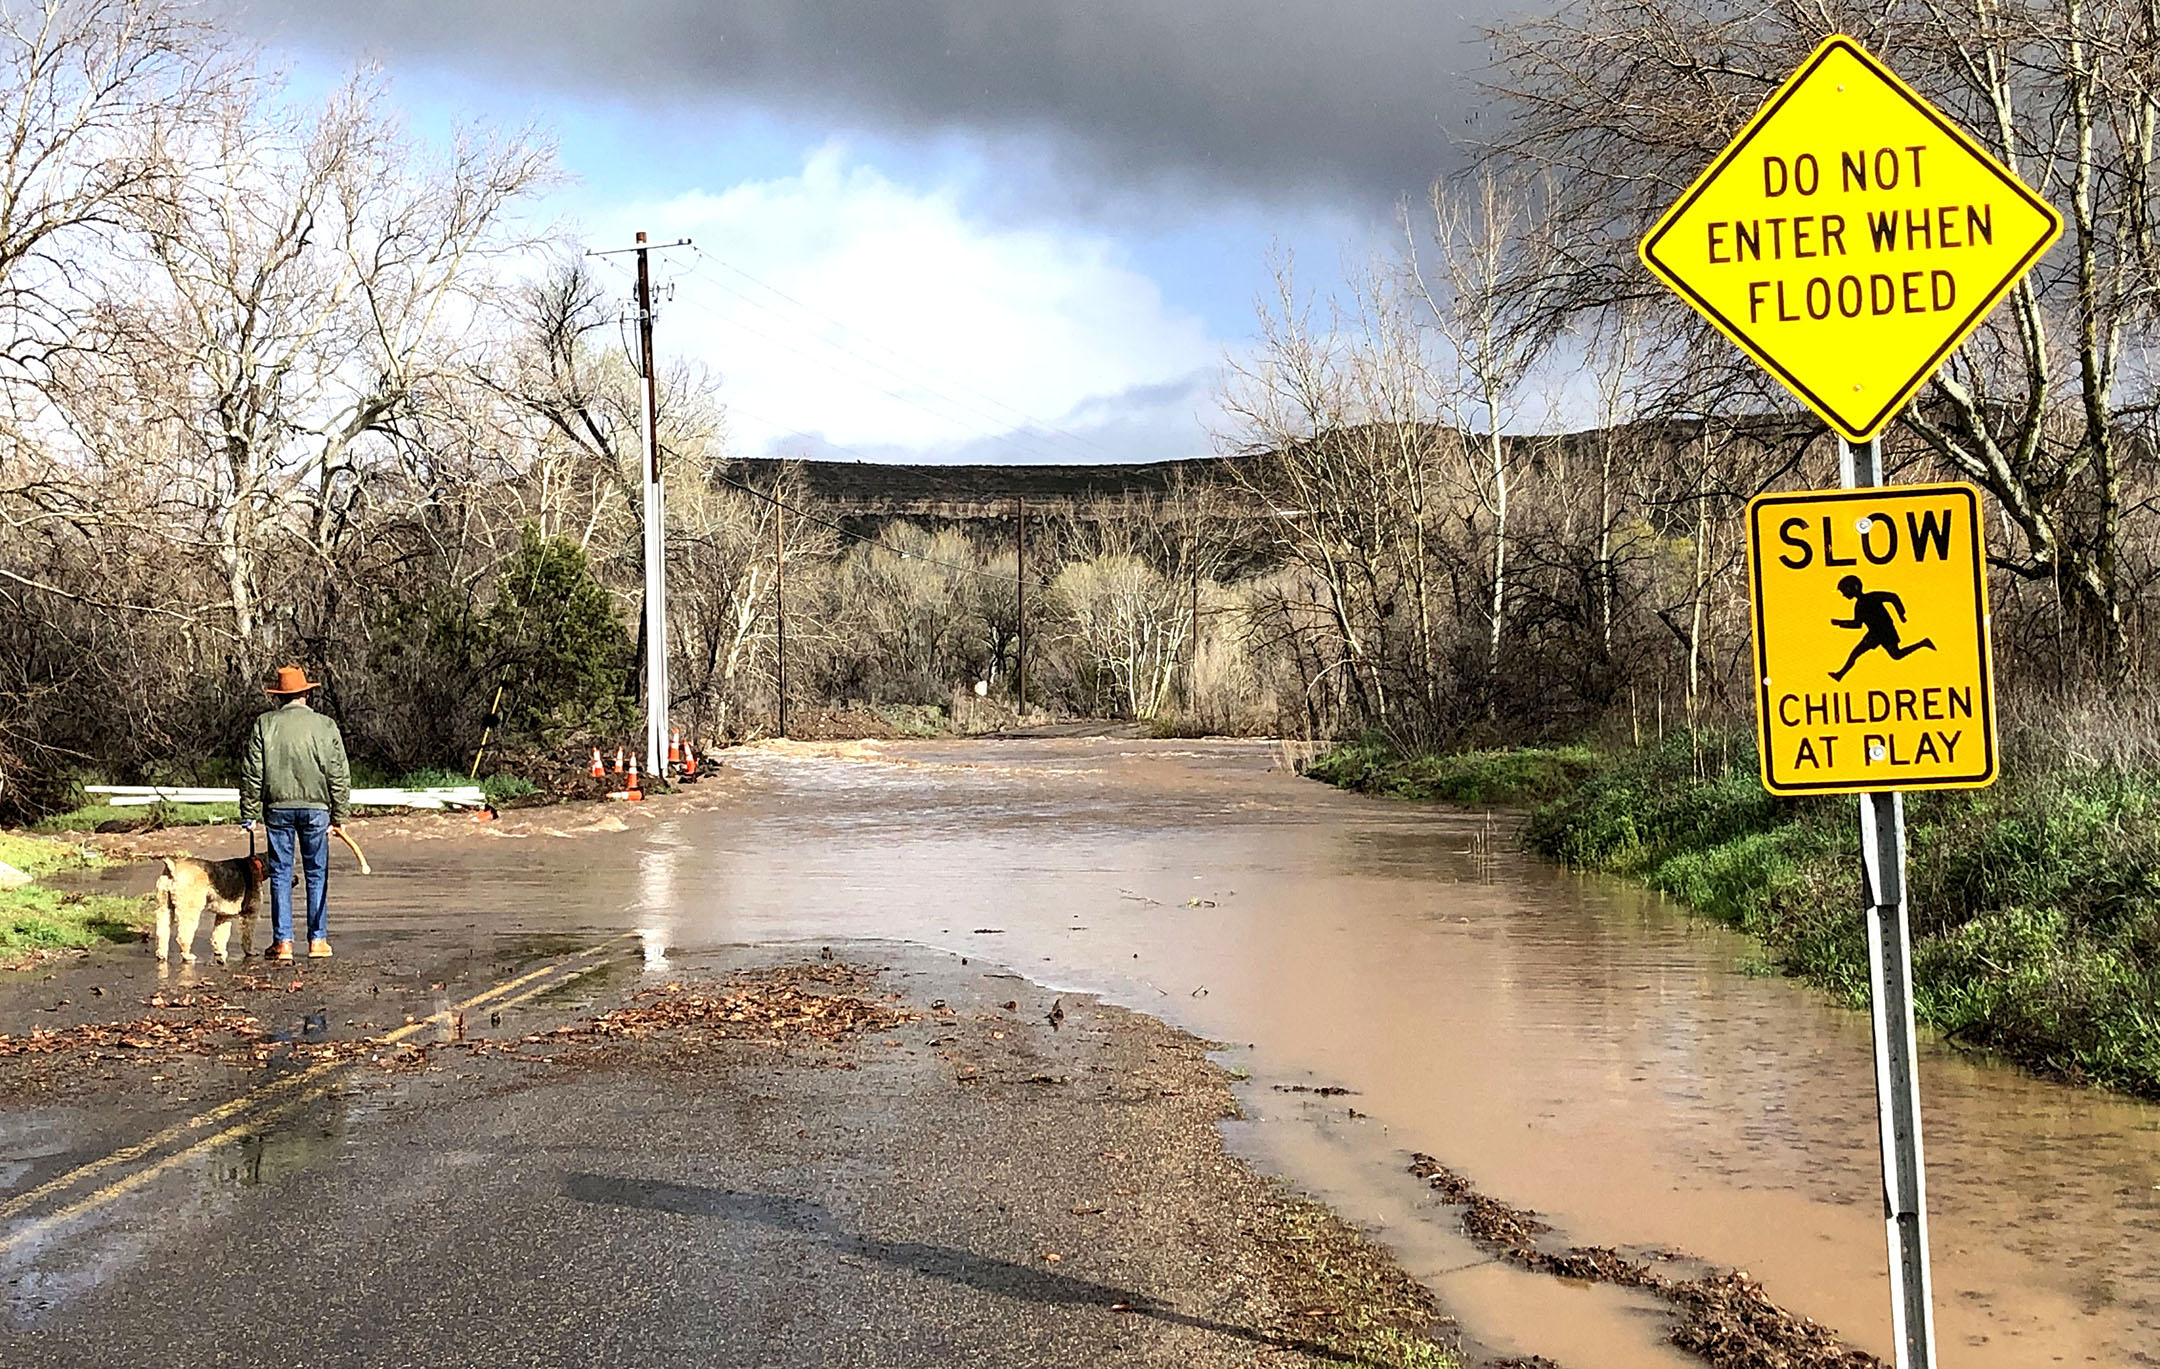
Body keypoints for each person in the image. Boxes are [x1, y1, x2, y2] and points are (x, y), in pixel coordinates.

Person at [239, 666, 352, 962]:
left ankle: (284, 943)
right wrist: (339, 816)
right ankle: (317, 941)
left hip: (277, 808)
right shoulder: (325, 725)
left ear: (280, 697)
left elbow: (253, 772)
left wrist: (249, 812)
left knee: (280, 874)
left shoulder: (265, 724)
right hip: (317, 809)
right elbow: (338, 773)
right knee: (316, 874)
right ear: (307, 693)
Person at [1828, 575, 1936, 682]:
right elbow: (1858, 624)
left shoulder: (1872, 597)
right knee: (1856, 653)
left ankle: (1923, 643)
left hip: (1885, 631)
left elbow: (1893, 597)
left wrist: (1901, 613)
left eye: (1844, 591)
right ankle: (1840, 675)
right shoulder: (1859, 605)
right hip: (1874, 634)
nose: (1843, 594)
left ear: (1853, 588)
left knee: (1896, 655)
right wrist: (1840, 623)